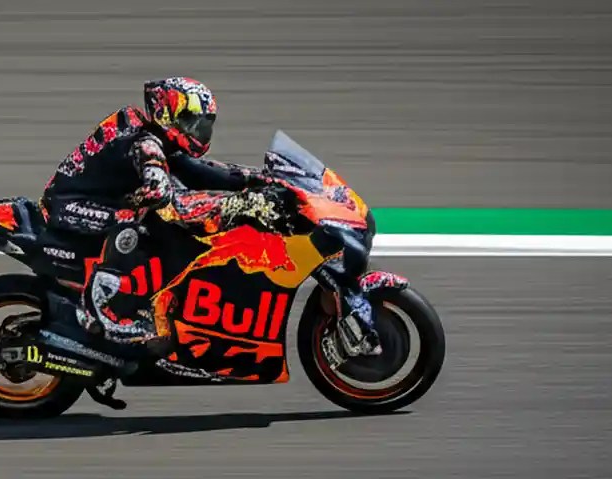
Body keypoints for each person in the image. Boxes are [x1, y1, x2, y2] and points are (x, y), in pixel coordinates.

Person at [40, 77, 380, 358]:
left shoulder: (156, 135)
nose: (199, 130)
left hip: (98, 197)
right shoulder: (146, 143)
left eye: (203, 124)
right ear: (168, 114)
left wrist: (261, 179)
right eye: (192, 122)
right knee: (146, 220)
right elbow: (159, 192)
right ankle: (101, 308)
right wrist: (233, 206)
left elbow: (199, 170)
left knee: (172, 220)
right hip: (73, 205)